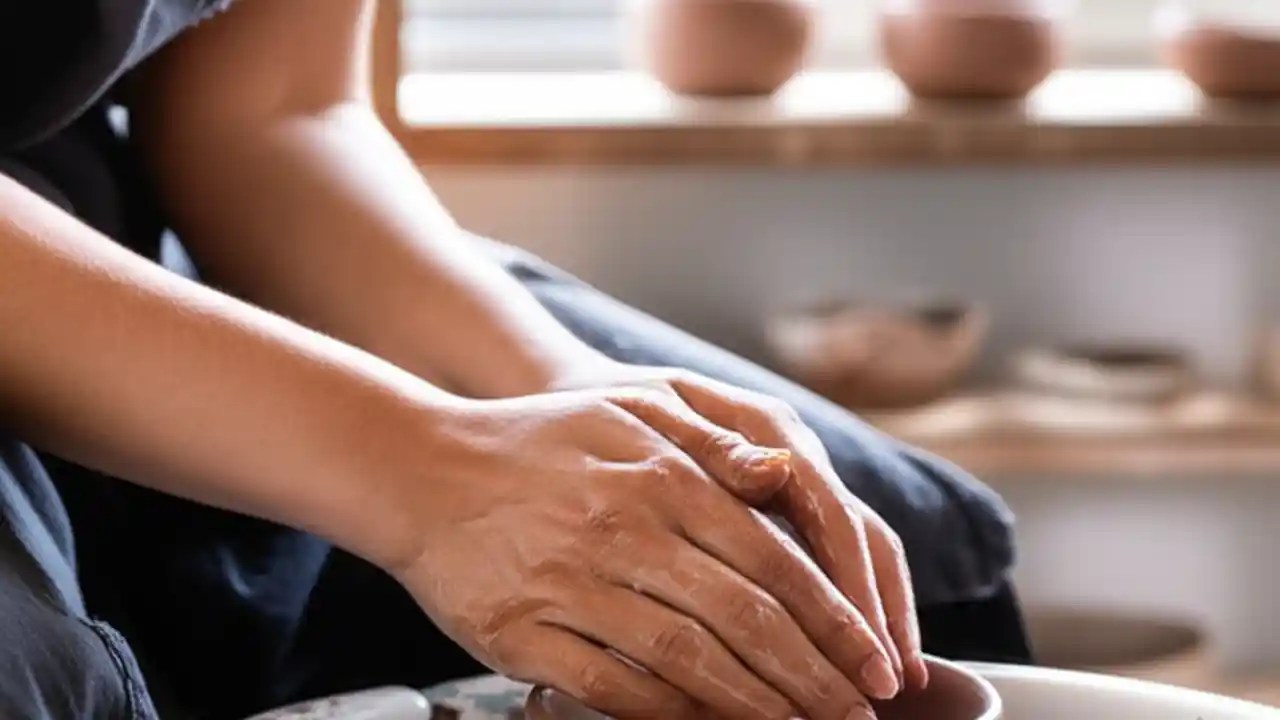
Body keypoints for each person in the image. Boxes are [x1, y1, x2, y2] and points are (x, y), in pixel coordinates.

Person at [0, 1, 1028, 719]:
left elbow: (270, 108)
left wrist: (556, 385)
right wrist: (426, 473)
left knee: (868, 570)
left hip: (113, 230)